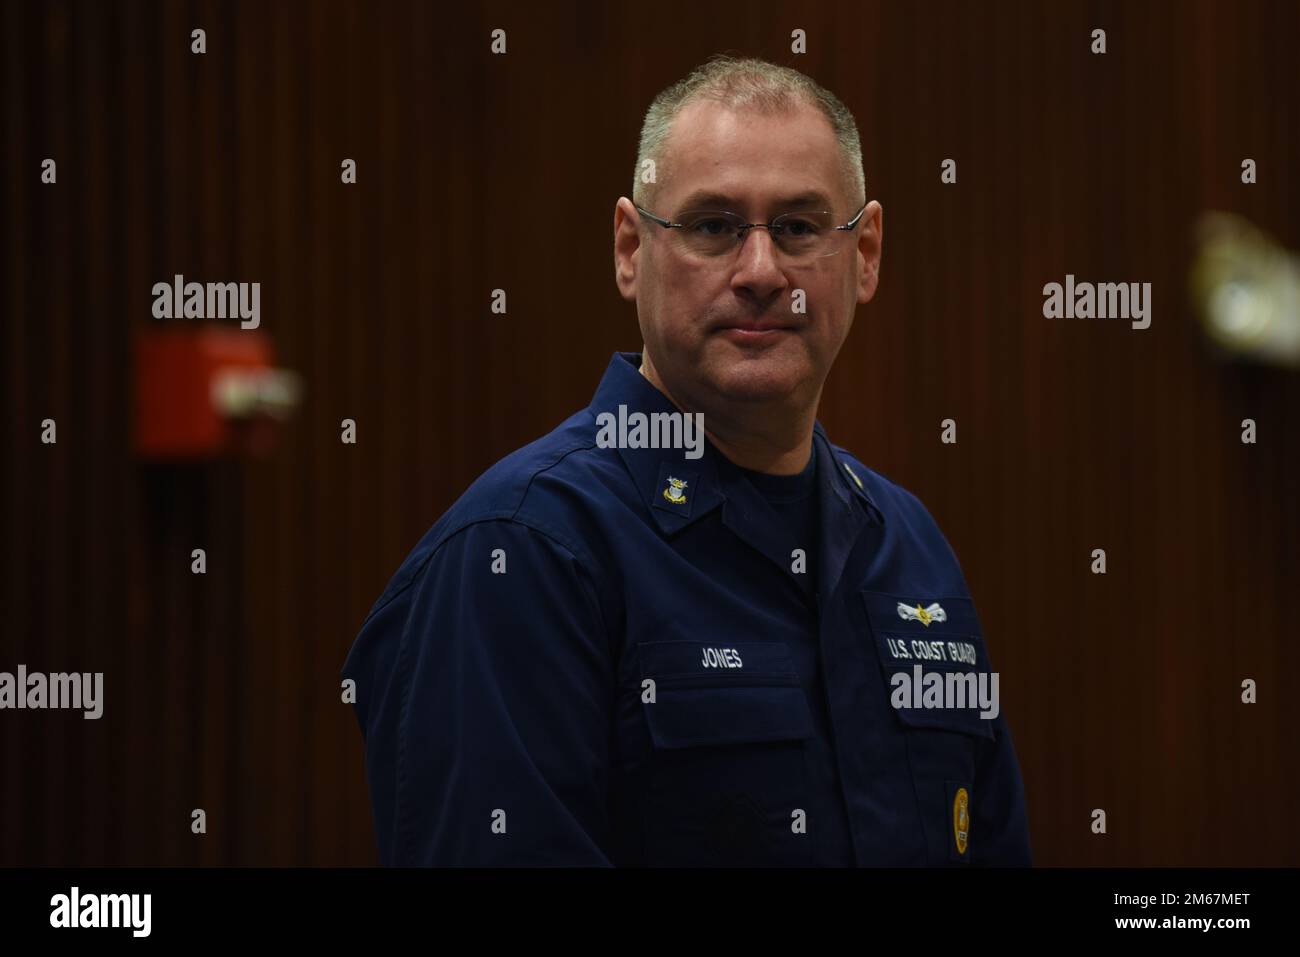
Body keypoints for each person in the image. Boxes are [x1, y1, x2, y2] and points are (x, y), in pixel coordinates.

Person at [341, 54, 1031, 866]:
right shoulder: (523, 551)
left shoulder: (907, 546)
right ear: (631, 249)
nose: (762, 272)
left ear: (866, 253)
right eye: (713, 227)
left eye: (801, 227)